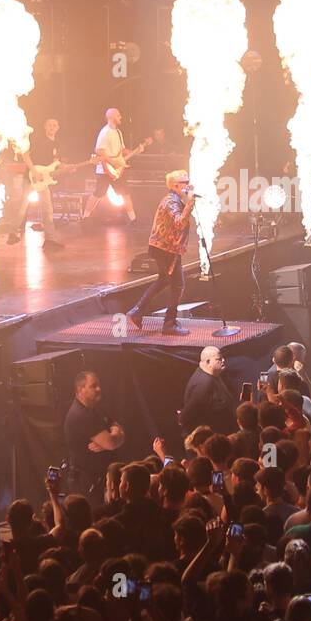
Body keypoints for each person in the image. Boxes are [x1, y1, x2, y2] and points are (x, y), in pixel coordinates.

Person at [126, 170, 195, 335]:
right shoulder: (171, 202)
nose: (188, 185)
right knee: (178, 285)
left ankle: (137, 311)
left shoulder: (175, 199)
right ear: (175, 186)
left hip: (163, 248)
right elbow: (179, 222)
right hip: (165, 250)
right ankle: (169, 323)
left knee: (163, 280)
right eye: (184, 183)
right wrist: (190, 203)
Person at [61, 371, 125, 502]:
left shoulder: (97, 409)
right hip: (87, 485)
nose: (99, 389)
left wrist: (113, 437)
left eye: (99, 385)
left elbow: (118, 432)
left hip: (100, 480)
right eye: (93, 386)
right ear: (80, 389)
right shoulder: (80, 415)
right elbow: (111, 442)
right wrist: (112, 438)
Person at [82, 107, 138, 223]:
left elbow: (121, 150)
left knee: (125, 192)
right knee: (99, 193)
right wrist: (113, 162)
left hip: (116, 170)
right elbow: (99, 150)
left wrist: (136, 151)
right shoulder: (105, 132)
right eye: (118, 115)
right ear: (112, 118)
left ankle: (133, 219)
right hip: (104, 169)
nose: (120, 117)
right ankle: (85, 217)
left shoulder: (118, 132)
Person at [26, 117, 65, 251]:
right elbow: (26, 154)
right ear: (45, 127)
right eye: (49, 125)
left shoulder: (58, 144)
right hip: (31, 177)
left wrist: (68, 167)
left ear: (58, 128)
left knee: (47, 209)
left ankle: (50, 240)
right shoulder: (38, 141)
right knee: (19, 207)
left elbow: (56, 163)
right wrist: (33, 171)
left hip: (43, 180)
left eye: (54, 125)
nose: (52, 128)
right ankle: (12, 232)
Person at [181, 346, 235, 434]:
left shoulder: (212, 375)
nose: (223, 360)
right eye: (219, 359)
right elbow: (188, 414)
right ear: (208, 362)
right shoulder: (203, 384)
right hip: (211, 438)